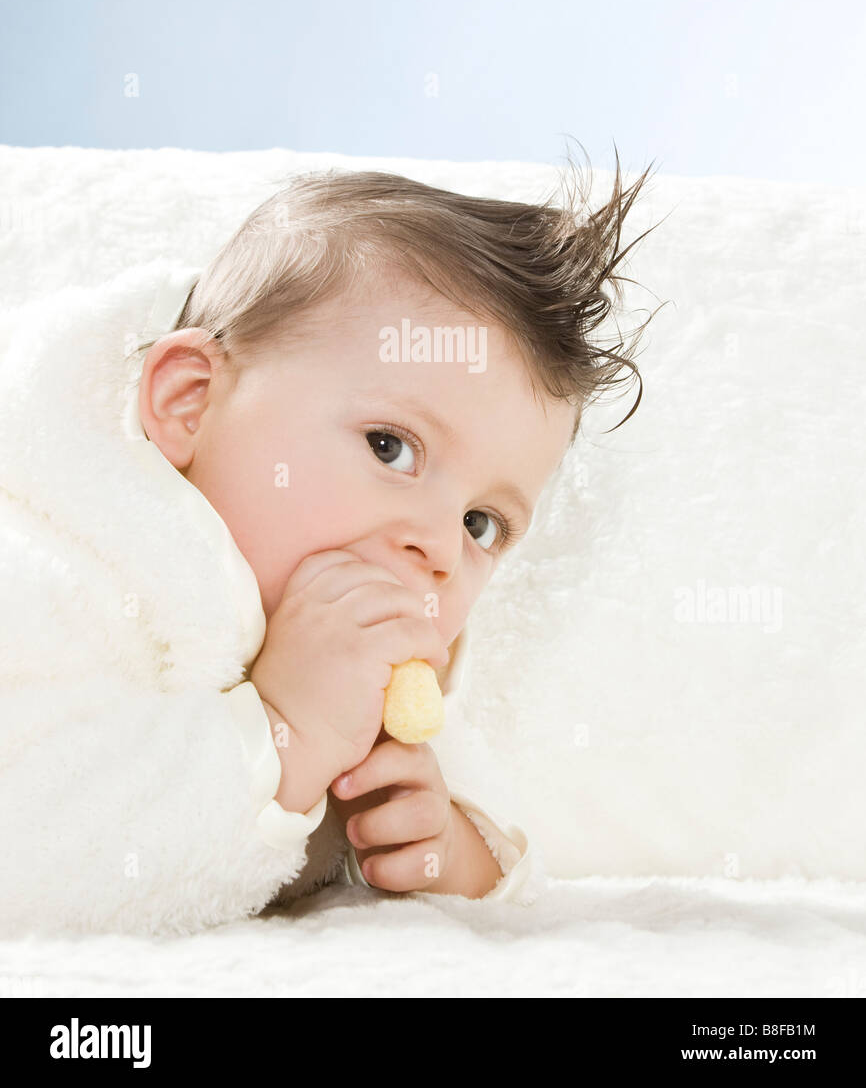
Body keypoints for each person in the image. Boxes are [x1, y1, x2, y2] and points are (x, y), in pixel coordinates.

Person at [0, 151, 661, 935]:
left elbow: (492, 824)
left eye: (481, 524)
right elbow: (32, 857)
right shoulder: (60, 562)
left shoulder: (373, 659)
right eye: (390, 447)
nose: (440, 549)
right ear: (189, 402)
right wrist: (280, 734)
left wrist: (445, 846)